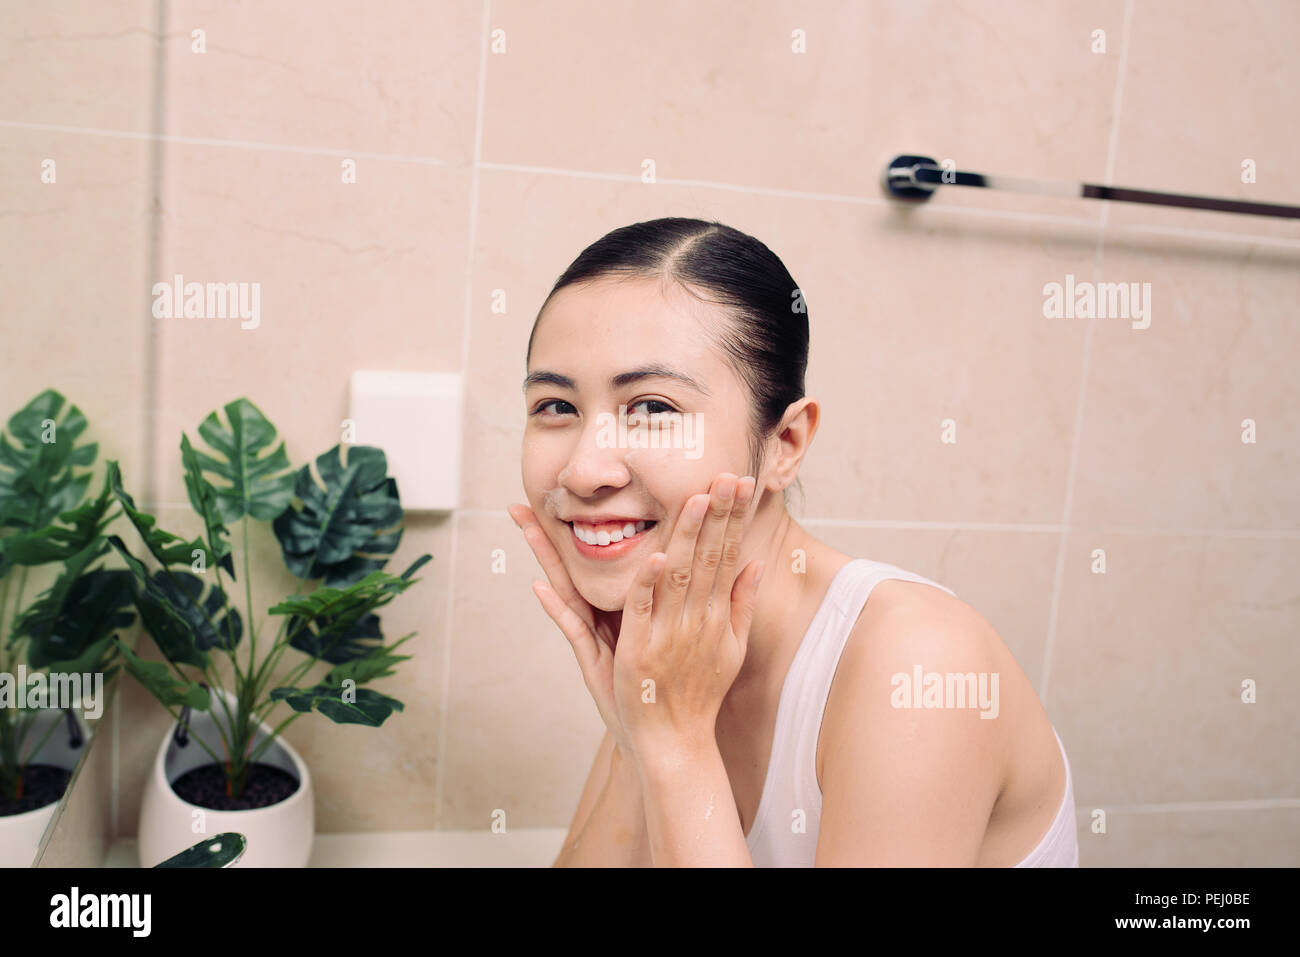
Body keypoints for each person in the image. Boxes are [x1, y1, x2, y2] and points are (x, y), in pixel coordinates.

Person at [508, 217, 1077, 867]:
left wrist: (674, 745)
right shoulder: (671, 655)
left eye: (655, 409)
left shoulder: (920, 662)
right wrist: (634, 738)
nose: (584, 470)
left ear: (785, 445)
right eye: (555, 405)